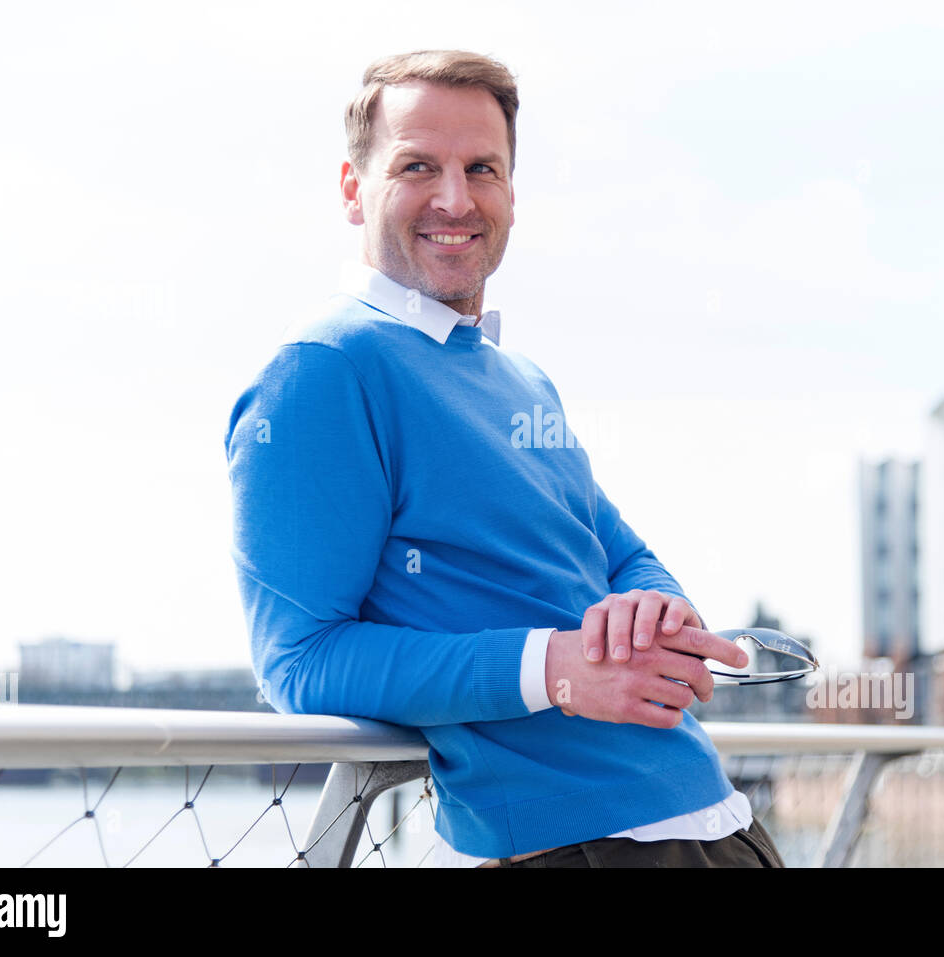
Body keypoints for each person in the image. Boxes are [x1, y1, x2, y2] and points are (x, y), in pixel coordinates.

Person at [224, 49, 783, 868]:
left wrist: (657, 609)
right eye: (418, 165)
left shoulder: (521, 378)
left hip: (717, 820)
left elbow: (618, 550)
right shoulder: (321, 371)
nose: (455, 197)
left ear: (511, 193)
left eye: (481, 167)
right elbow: (299, 662)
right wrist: (557, 669)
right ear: (354, 189)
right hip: (577, 847)